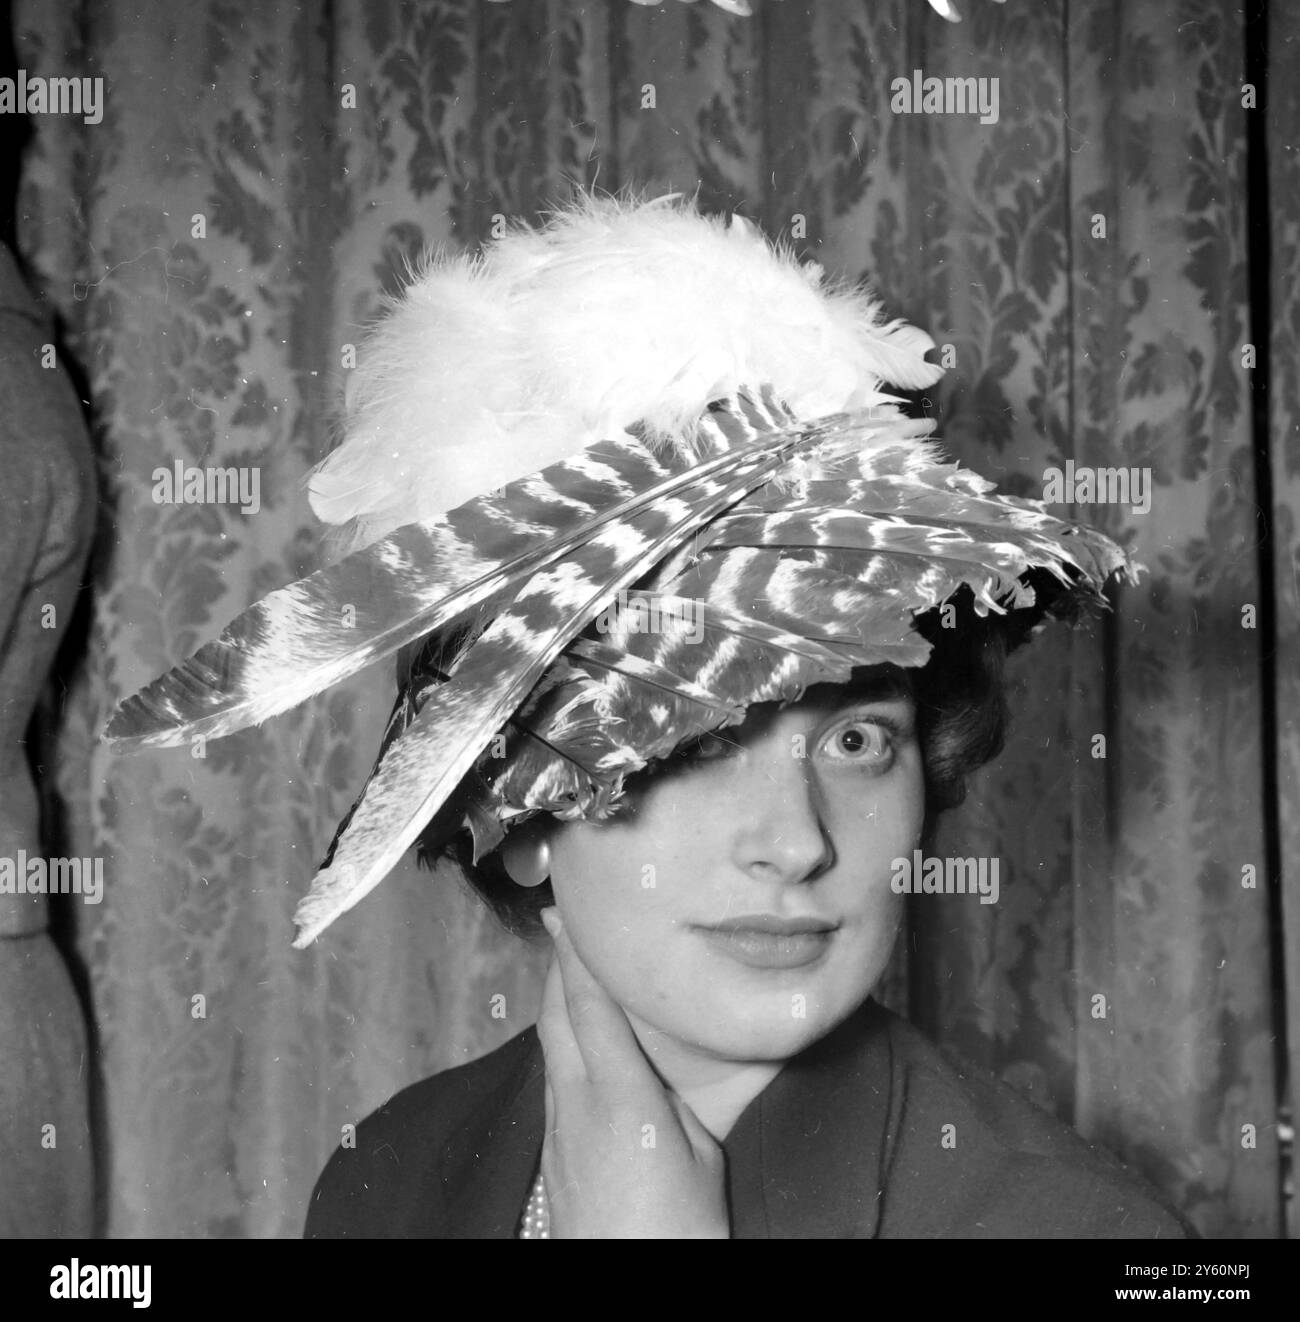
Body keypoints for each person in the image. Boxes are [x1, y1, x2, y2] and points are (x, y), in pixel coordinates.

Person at [108, 195, 1193, 1239]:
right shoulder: (383, 1178)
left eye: (858, 740)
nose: (798, 840)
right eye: (697, 736)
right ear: (515, 804)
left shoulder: (1076, 1230)